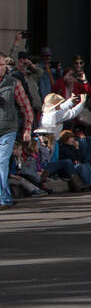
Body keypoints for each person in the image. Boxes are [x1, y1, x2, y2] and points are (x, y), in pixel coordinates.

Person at [1, 53, 36, 208]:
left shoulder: (13, 83)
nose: (0, 68)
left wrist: (27, 129)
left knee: (1, 163)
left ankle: (3, 199)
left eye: (2, 65)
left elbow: (26, 108)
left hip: (8, 129)